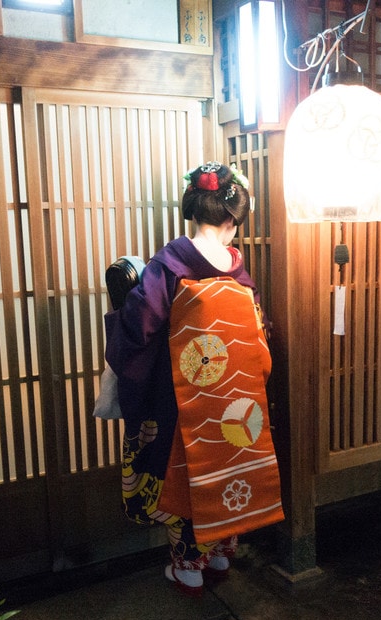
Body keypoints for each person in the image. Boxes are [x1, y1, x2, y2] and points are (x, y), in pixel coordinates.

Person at [104, 162, 283, 597]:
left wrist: (120, 312)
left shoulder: (171, 263)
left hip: (182, 398)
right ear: (232, 219)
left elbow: (139, 327)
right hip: (235, 399)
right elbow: (257, 340)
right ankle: (222, 553)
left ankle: (188, 568)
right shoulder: (240, 273)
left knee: (185, 474)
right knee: (228, 466)